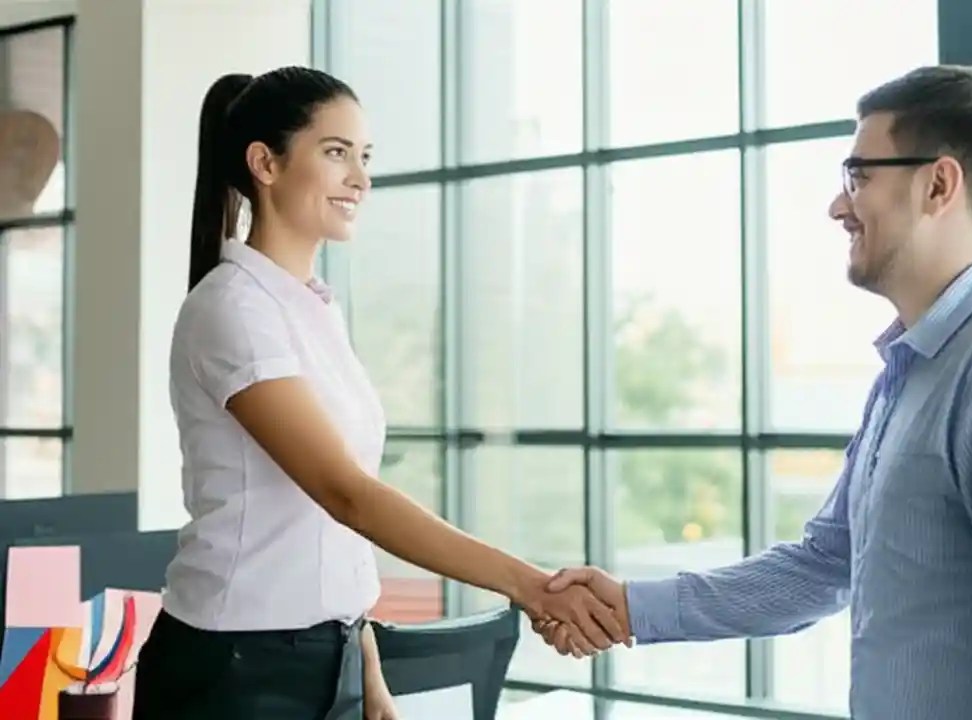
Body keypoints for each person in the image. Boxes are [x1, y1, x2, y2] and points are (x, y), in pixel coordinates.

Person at [535, 65, 972, 720]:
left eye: (859, 176)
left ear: (938, 184)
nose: (839, 205)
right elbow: (823, 566)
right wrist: (628, 606)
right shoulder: (911, 370)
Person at [130, 66, 627, 720]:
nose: (360, 178)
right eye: (336, 153)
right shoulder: (232, 311)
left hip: (324, 656)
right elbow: (347, 495)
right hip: (234, 668)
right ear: (265, 164)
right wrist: (531, 585)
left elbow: (329, 525)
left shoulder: (313, 310)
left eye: (364, 157)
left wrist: (365, 669)